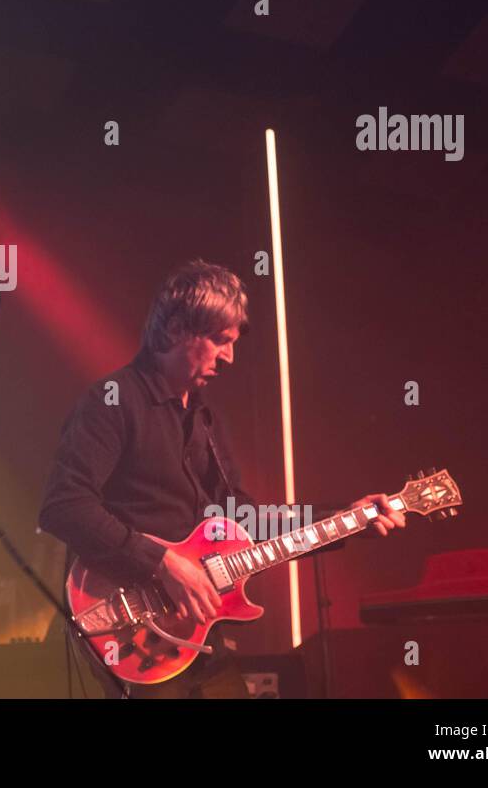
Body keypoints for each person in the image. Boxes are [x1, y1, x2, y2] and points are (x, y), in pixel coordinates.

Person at [38, 260, 402, 698]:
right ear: (175, 329)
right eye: (218, 340)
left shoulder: (204, 419)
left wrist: (345, 518)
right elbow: (64, 506)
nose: (229, 356)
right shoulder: (112, 402)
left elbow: (244, 521)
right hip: (130, 626)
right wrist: (164, 563)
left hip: (195, 633)